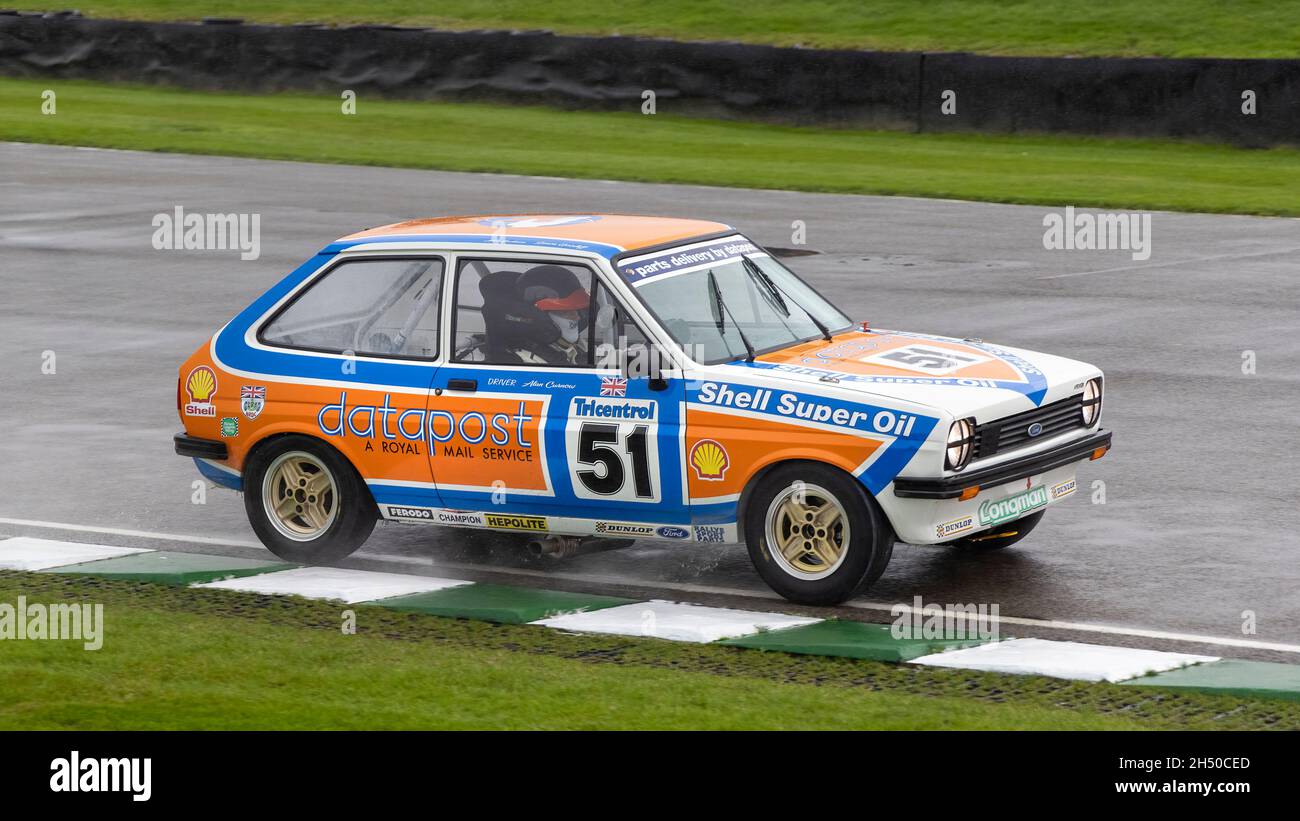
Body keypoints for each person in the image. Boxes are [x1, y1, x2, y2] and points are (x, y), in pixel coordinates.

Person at [479, 265, 591, 364]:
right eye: (567, 312)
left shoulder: (575, 344)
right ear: (542, 317)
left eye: (576, 310)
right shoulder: (527, 364)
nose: (577, 317)